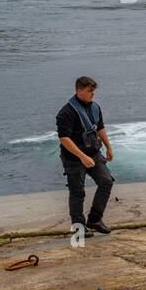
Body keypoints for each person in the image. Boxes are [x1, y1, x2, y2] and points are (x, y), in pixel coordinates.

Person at [56, 76, 115, 234]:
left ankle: (95, 219)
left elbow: (100, 127)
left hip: (94, 153)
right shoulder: (66, 112)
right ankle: (79, 228)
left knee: (106, 182)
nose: (92, 94)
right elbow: (64, 138)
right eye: (89, 91)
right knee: (77, 192)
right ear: (79, 90)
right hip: (74, 158)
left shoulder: (95, 107)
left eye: (93, 91)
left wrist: (109, 147)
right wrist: (82, 156)